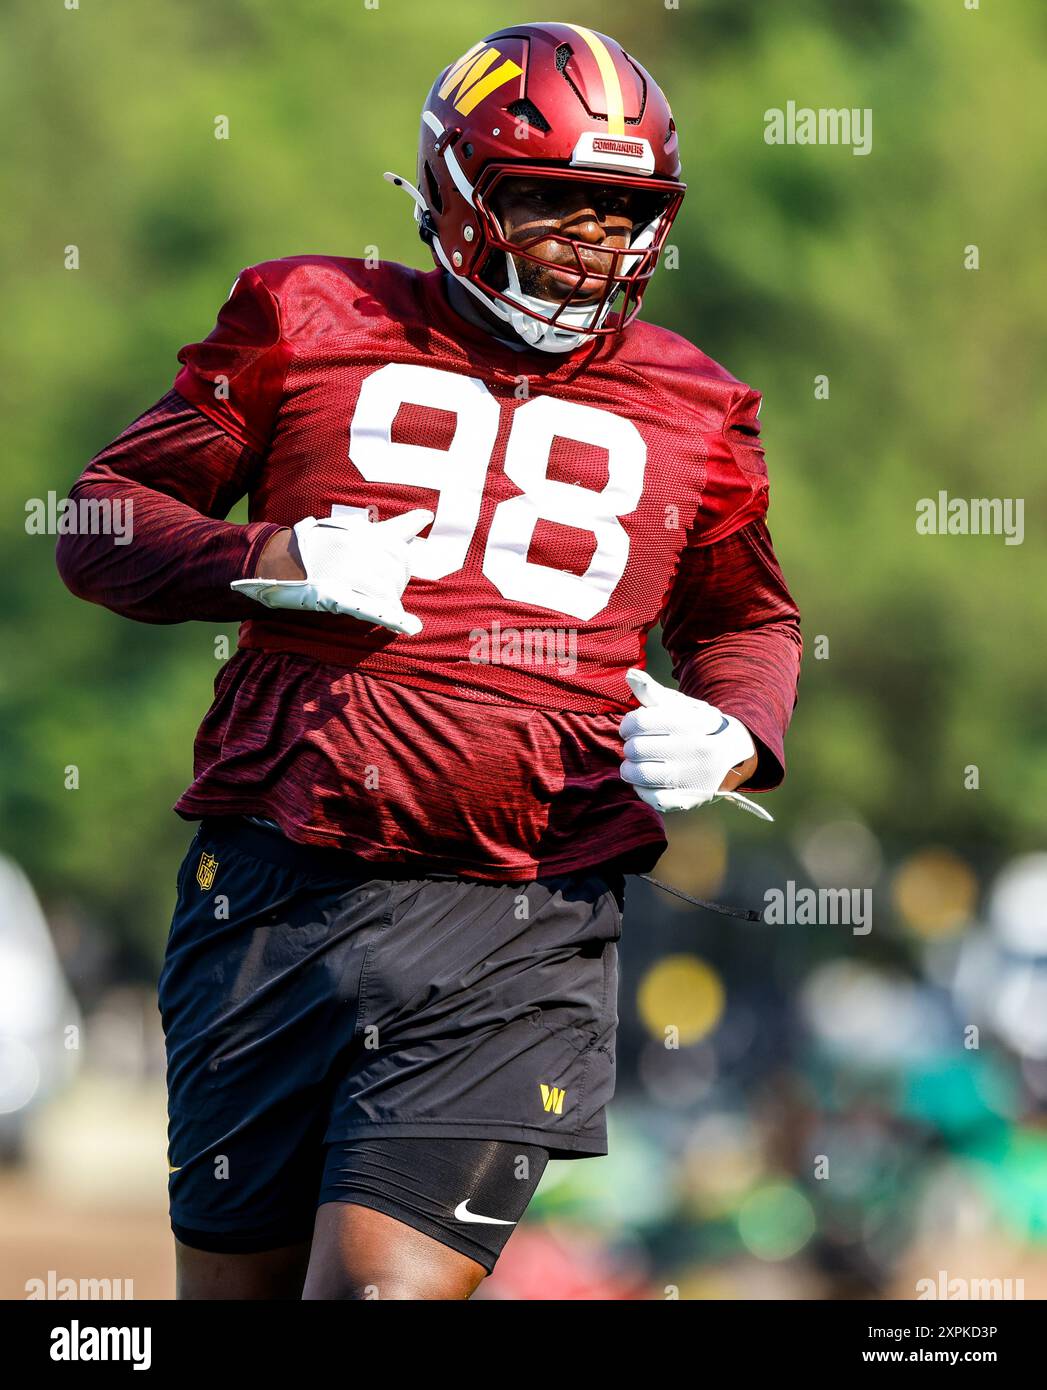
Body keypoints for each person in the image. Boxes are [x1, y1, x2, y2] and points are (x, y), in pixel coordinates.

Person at [55, 21, 802, 1300]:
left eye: (620, 210)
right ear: (456, 192)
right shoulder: (305, 313)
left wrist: (735, 728)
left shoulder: (700, 403)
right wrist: (267, 555)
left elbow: (750, 620)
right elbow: (96, 519)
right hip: (274, 887)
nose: (588, 239)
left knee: (381, 1292)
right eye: (549, 198)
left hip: (527, 911)